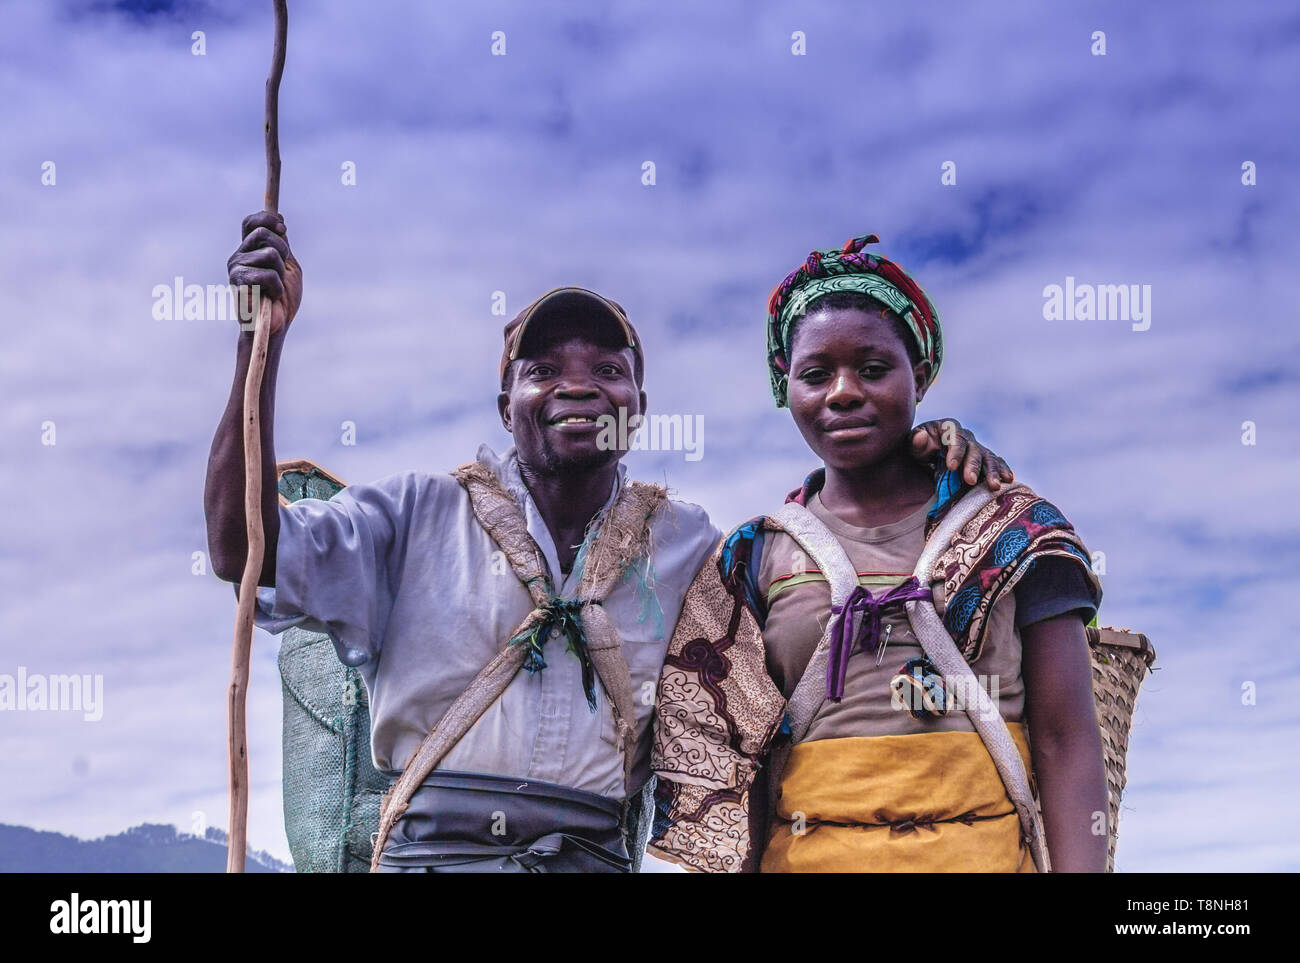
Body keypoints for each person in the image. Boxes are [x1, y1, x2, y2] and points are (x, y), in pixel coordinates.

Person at [206, 214, 1011, 872]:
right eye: (544, 368)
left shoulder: (691, 544)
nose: (579, 383)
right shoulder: (415, 514)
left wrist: (915, 456)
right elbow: (244, 554)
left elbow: (815, 615)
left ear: (639, 403)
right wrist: (260, 344)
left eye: (607, 368)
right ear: (505, 404)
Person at [649, 233, 1107, 873]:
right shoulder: (753, 558)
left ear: (918, 377)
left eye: (872, 369)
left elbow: (1066, 739)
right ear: (786, 388)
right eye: (814, 375)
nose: (842, 392)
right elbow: (733, 761)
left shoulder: (1016, 530)